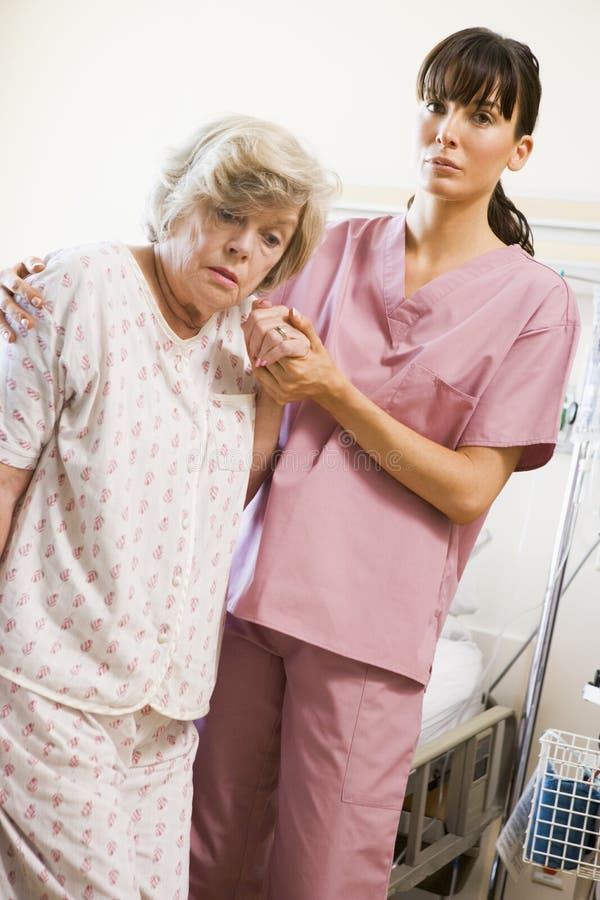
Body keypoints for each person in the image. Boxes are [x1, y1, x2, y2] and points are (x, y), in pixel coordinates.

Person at [0, 28, 581, 900]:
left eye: (482, 116)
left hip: (367, 631)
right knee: (203, 857)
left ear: (520, 147)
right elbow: (194, 291)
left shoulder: (538, 302)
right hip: (244, 601)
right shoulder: (329, 248)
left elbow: (469, 490)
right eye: (436, 105)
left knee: (321, 879)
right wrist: (59, 276)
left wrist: (340, 393)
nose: (448, 132)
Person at [0, 114, 335, 900]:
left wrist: (272, 396)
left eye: (271, 238)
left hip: (167, 712)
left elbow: (225, 496)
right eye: (229, 214)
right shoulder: (80, 285)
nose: (244, 248)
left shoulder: (238, 345)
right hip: (52, 692)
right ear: (181, 197)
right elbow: (4, 480)